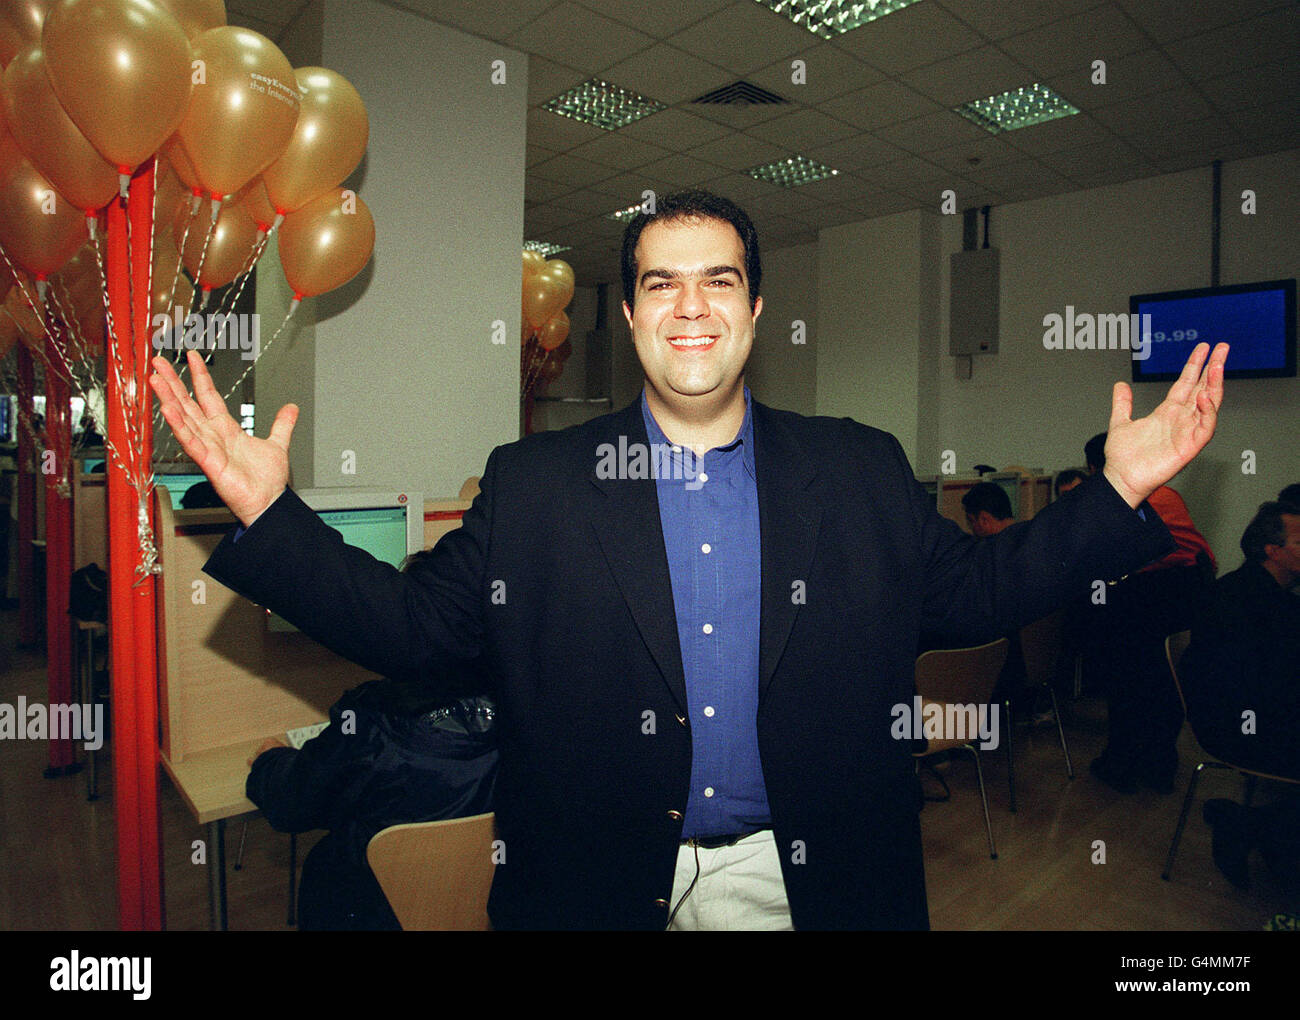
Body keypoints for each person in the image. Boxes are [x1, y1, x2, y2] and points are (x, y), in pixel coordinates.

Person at [151, 189, 1229, 930]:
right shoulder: (537, 488)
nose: (692, 306)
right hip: (597, 887)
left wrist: (1120, 491)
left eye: (718, 281)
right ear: (628, 314)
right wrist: (270, 516)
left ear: (756, 309)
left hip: (807, 882)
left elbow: (983, 588)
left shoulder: (855, 470)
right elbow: (412, 630)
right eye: (661, 285)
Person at [246, 618, 498, 930]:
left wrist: (270, 759)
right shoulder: (525, 712)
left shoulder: (374, 725)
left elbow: (291, 804)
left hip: (370, 910)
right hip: (477, 909)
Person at [1082, 431, 1216, 793]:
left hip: (1148, 596)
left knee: (1127, 683)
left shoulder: (1119, 498)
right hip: (1188, 590)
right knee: (1163, 685)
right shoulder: (1165, 491)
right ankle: (1159, 767)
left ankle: (1121, 766)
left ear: (1098, 469)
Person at [1181, 501, 1300, 888]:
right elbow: (1262, 687)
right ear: (1274, 551)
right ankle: (1259, 830)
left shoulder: (1269, 593)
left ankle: (1255, 827)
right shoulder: (1245, 601)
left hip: (1254, 713)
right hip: (1235, 726)